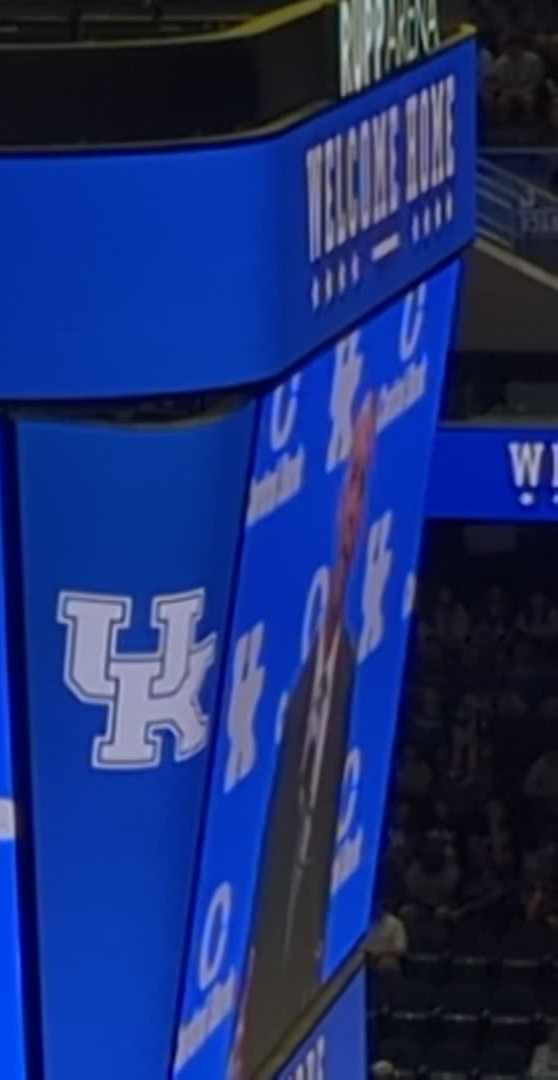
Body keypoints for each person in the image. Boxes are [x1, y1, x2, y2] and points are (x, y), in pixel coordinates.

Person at [227, 401, 375, 1077]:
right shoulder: (300, 665)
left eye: (362, 485)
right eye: (350, 485)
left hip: (304, 975)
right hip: (262, 985)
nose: (351, 510)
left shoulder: (342, 660)